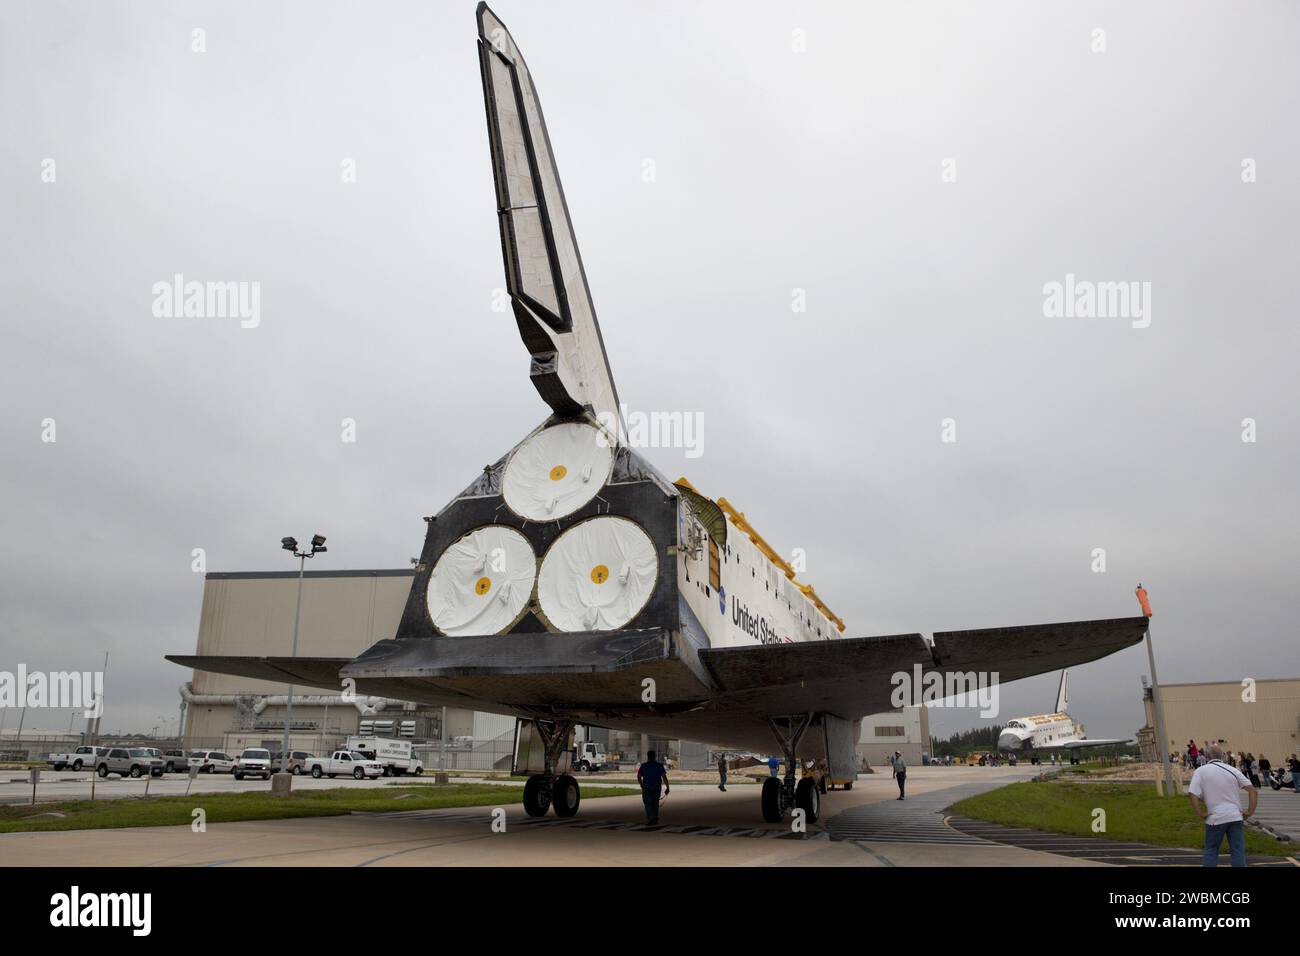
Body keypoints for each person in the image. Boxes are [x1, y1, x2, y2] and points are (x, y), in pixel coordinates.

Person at [1187, 744, 1256, 867]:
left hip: (1215, 817)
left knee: (1211, 850)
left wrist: (1200, 813)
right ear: (1222, 756)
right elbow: (1252, 790)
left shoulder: (1201, 771)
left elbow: (1192, 793)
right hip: (1235, 816)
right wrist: (1249, 811)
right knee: (1237, 851)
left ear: (1207, 756)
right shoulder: (1233, 770)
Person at [636, 749, 670, 824]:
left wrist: (641, 784)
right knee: (655, 803)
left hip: (647, 786)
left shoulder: (644, 766)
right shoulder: (659, 765)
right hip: (656, 786)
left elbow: (638, 776)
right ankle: (655, 817)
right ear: (655, 756)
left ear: (648, 756)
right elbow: (664, 777)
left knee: (648, 803)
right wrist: (667, 787)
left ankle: (650, 818)